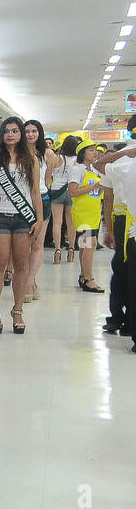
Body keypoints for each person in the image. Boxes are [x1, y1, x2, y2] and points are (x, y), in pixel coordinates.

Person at [0, 117, 42, 335]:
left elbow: (35, 193)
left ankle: (18, 310)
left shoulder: (31, 160)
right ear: (1, 135)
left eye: (15, 131)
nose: (10, 134)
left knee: (21, 265)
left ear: (21, 134)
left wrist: (39, 219)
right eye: (6, 131)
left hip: (24, 218)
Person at [100, 136, 136, 349]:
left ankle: (119, 319)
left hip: (125, 221)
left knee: (123, 272)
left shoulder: (123, 160)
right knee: (127, 272)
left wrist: (109, 228)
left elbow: (108, 194)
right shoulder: (126, 161)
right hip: (126, 221)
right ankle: (126, 321)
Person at [20, 120, 59, 302]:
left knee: (37, 244)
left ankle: (30, 281)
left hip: (41, 199)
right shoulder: (16, 152)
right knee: (22, 244)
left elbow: (47, 179)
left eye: (34, 131)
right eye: (27, 131)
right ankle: (24, 279)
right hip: (20, 201)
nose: (30, 134)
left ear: (40, 133)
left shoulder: (48, 154)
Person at [69, 141, 105, 293]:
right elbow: (72, 191)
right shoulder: (77, 169)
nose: (95, 152)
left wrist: (102, 187)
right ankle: (89, 279)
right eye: (91, 150)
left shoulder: (95, 170)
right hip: (82, 213)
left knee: (87, 246)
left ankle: (84, 276)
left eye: (95, 150)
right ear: (82, 153)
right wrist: (95, 186)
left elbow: (98, 192)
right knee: (89, 244)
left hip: (94, 212)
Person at [49, 135, 82, 264]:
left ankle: (57, 249)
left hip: (57, 192)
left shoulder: (57, 159)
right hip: (72, 192)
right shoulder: (77, 161)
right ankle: (71, 249)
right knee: (71, 222)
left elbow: (48, 176)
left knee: (57, 222)